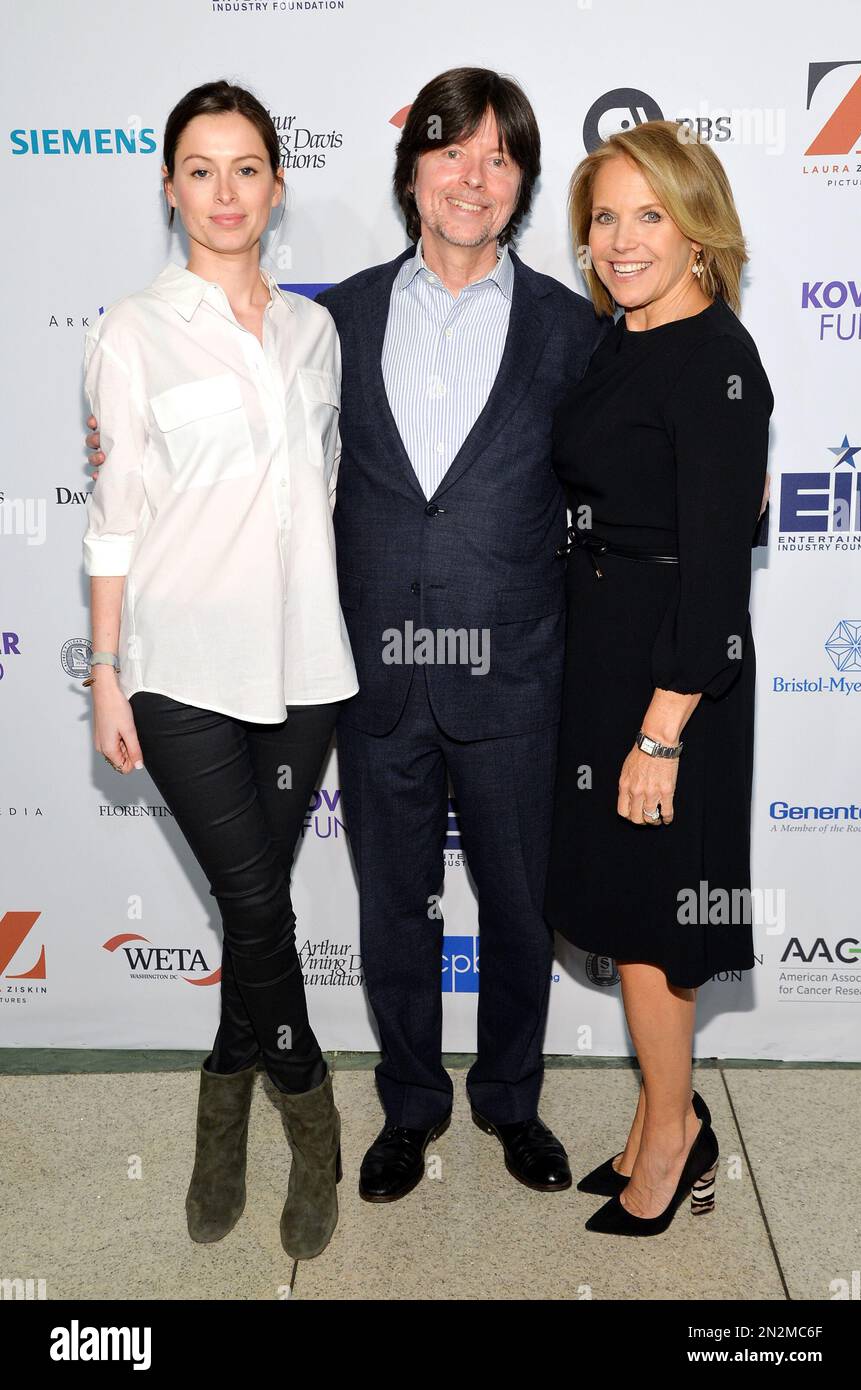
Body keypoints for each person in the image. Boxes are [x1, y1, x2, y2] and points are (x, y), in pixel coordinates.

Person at [312, 68, 608, 1201]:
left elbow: (611, 501)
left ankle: (512, 1099)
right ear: (412, 173)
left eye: (497, 158)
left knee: (519, 901)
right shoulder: (332, 320)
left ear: (521, 182)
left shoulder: (571, 329)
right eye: (450, 153)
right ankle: (408, 1106)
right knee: (392, 905)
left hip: (518, 677)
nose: (471, 177)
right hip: (377, 676)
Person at [81, 79, 357, 1260]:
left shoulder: (313, 331)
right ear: (169, 187)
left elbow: (325, 487)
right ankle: (311, 1112)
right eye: (201, 169)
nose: (225, 191)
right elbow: (113, 515)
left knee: (253, 914)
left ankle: (223, 1100)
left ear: (277, 186)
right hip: (181, 669)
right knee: (256, 902)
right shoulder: (131, 332)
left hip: (305, 668)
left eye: (246, 168)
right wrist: (104, 670)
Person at [543, 119, 774, 1235]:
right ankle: (654, 1115)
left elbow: (719, 563)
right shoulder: (621, 338)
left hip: (671, 675)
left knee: (652, 923)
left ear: (697, 234)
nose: (621, 240)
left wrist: (662, 728)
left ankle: (672, 1141)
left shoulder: (716, 361)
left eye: (649, 216)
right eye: (602, 217)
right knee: (627, 912)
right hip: (605, 656)